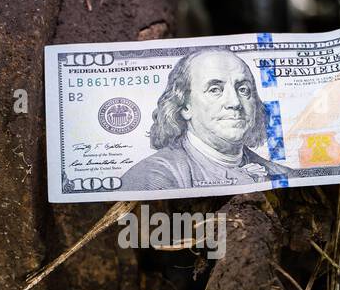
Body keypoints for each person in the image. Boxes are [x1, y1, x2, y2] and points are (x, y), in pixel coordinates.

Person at [122, 49, 290, 190]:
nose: (235, 102)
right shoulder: (151, 177)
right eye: (215, 89)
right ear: (185, 106)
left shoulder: (283, 175)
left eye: (243, 89)